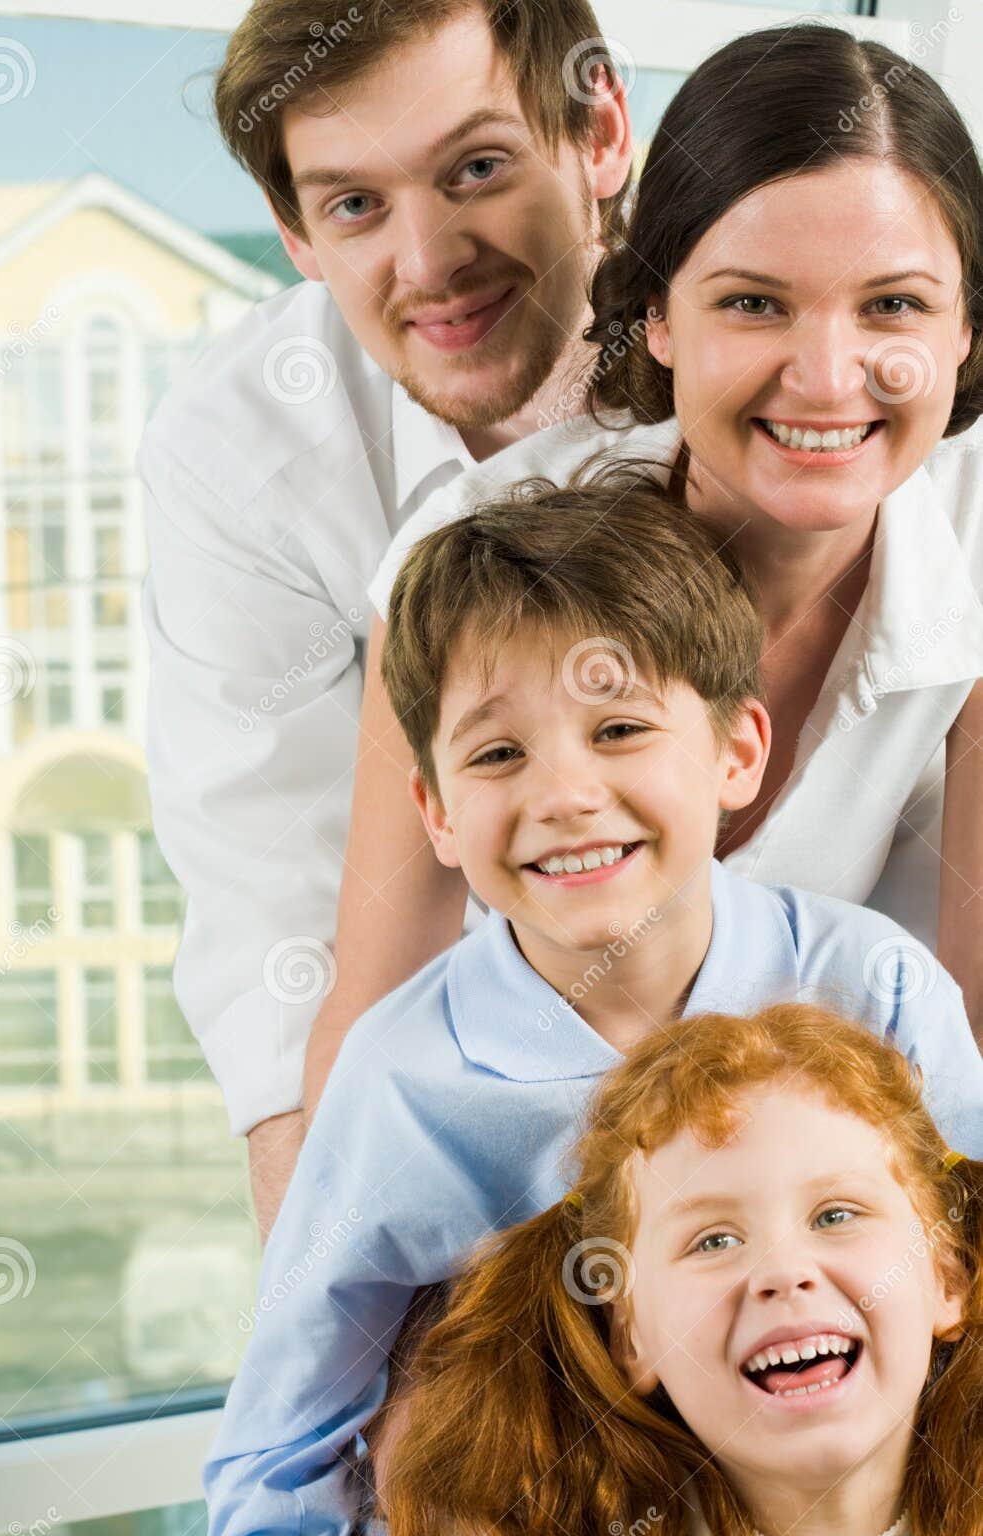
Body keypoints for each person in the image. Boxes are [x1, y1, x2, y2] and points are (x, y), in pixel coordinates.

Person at [201, 470, 983, 1536]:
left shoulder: (869, 983)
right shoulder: (402, 1077)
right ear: (432, 810)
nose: (564, 794)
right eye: (497, 754)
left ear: (733, 751)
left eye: (617, 729)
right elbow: (283, 1433)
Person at [310, 21, 983, 1157]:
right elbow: (380, 1012)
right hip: (518, 1203)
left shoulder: (967, 556)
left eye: (893, 306)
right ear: (657, 317)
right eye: (752, 304)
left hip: (824, 1215)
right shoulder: (475, 551)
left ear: (966, 328)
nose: (825, 379)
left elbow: (971, 1049)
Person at [137, 0, 632, 1237]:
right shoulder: (241, 449)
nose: (428, 263)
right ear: (295, 234)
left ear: (598, 131)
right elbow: (279, 923)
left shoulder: (768, 357)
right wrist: (334, 1352)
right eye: (353, 204)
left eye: (475, 169)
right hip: (469, 1108)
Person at [335, 1003, 983, 1536]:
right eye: (713, 1240)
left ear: (947, 1278)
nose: (782, 1273)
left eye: (836, 1214)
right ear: (631, 1337)